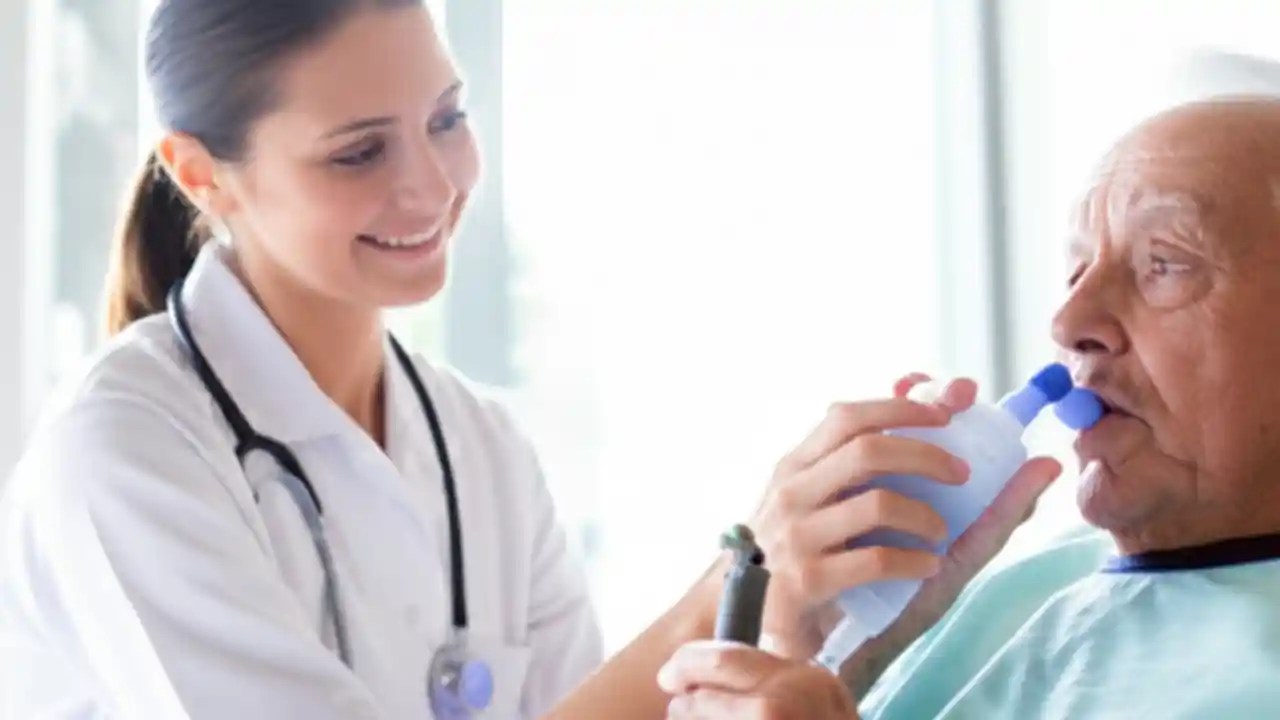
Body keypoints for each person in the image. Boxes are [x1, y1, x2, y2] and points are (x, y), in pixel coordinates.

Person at [1, 1, 1056, 718]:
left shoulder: (480, 448)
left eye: (447, 119)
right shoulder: (127, 455)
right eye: (359, 151)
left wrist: (804, 615)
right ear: (200, 174)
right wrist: (742, 569)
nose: (430, 187)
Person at [660, 95, 1280, 718]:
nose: (1068, 323)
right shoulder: (993, 603)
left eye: (1164, 264)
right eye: (1076, 271)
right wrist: (824, 651)